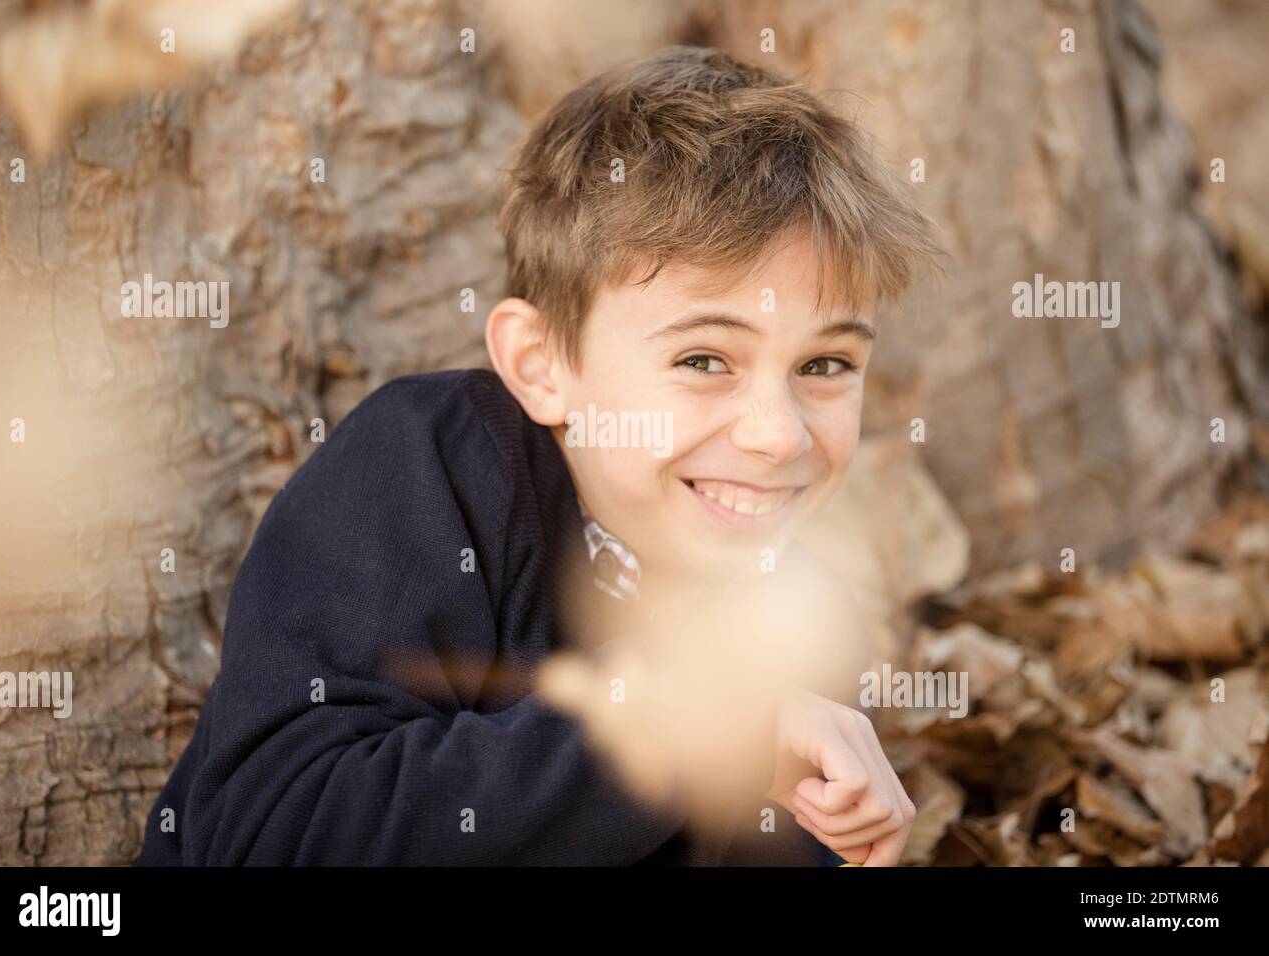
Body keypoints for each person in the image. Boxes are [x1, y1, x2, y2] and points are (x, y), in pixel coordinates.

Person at [138, 45, 938, 866]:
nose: (779, 433)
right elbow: (273, 831)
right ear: (541, 365)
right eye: (704, 360)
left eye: (825, 366)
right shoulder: (430, 469)